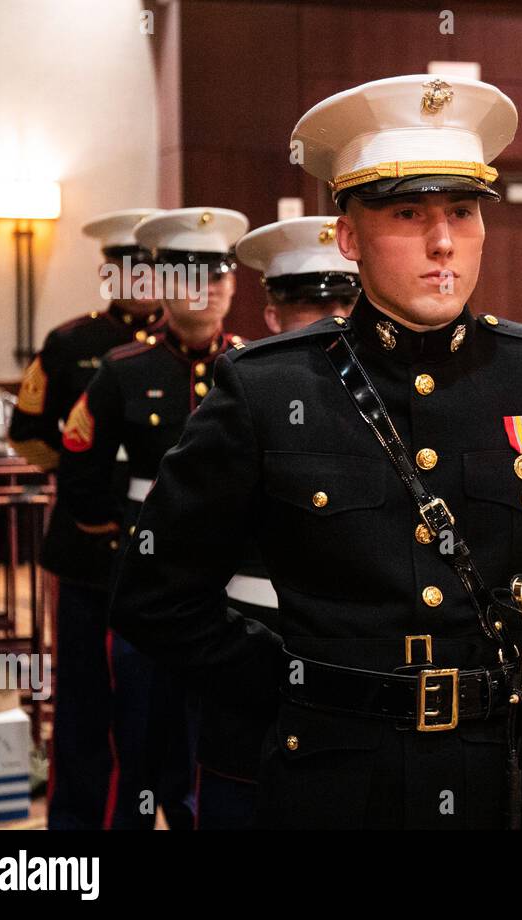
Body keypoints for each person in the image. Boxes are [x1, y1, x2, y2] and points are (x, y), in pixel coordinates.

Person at [108, 74, 522, 829]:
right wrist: (293, 684)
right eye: (409, 213)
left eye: (463, 212)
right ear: (349, 236)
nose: (443, 241)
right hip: (335, 781)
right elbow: (154, 595)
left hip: (505, 774)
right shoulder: (267, 387)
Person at [59, 206, 249, 829]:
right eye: (188, 276)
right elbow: (81, 470)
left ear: (233, 284)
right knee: (131, 726)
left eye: (217, 274)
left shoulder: (254, 370)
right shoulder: (124, 369)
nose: (206, 289)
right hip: (139, 579)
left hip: (225, 588)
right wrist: (123, 549)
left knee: (210, 736)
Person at [185, 216, 360, 828]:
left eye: (344, 302)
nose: (328, 321)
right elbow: (168, 586)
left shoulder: (399, 407)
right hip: (255, 667)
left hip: (366, 695)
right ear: (272, 316)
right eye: (308, 306)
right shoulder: (235, 409)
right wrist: (254, 668)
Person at [8, 208, 164, 829]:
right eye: (125, 268)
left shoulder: (184, 351)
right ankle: (74, 829)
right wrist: (82, 487)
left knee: (153, 705)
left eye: (149, 270)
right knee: (82, 700)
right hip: (85, 551)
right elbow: (29, 433)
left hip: (162, 558)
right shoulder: (70, 343)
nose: (139, 281)